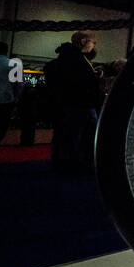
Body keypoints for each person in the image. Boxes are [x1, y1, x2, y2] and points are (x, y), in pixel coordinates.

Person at [44, 31, 101, 174]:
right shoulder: (78, 60)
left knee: (63, 136)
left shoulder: (64, 58)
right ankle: (73, 165)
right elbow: (80, 84)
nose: (93, 45)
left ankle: (61, 164)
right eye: (92, 42)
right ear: (83, 41)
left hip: (64, 105)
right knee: (77, 137)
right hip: (79, 105)